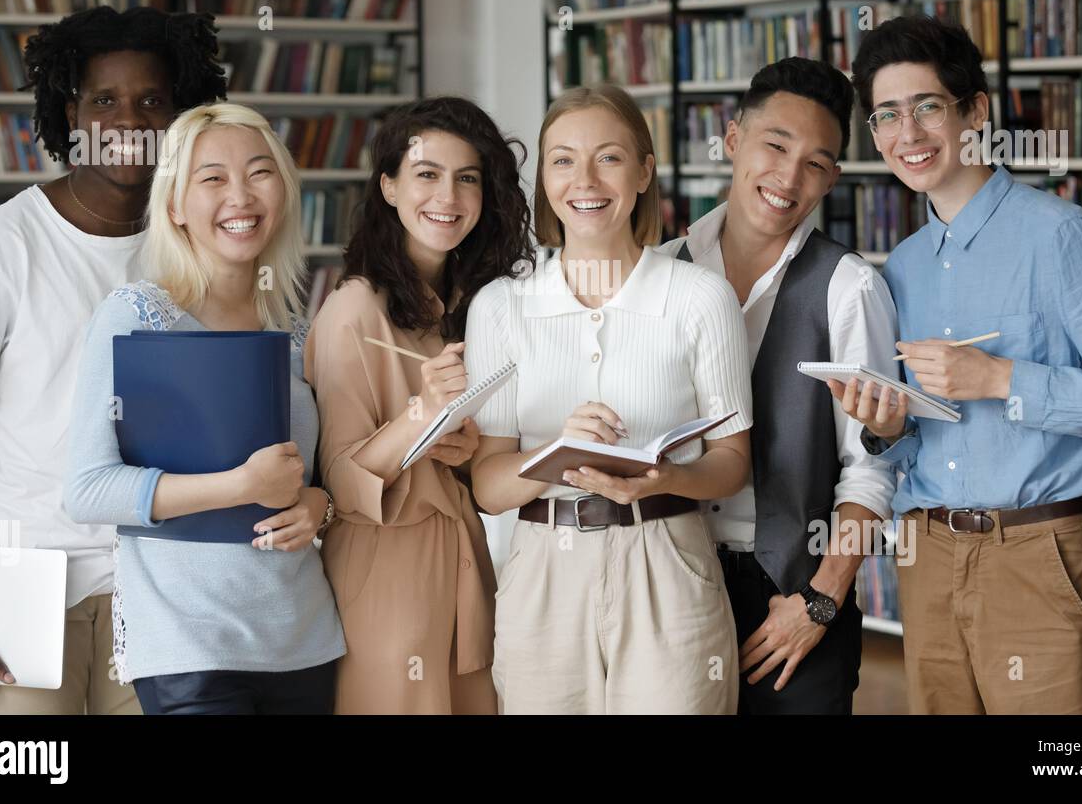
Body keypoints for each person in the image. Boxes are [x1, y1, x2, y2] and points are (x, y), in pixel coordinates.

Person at [841, 14, 1082, 713]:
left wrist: (1001, 380)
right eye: (885, 115)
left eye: (926, 107)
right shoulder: (902, 268)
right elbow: (925, 436)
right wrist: (885, 426)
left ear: (976, 111)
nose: (906, 134)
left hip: (1038, 554)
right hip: (926, 552)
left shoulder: (1057, 236)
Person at [0, 7, 227, 713]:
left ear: (181, 115)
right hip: (23, 583)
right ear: (72, 114)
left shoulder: (199, 247)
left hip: (156, 581)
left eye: (152, 101)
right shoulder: (0, 247)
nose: (130, 121)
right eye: (105, 101)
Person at [465, 84, 754, 714]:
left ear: (645, 170)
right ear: (543, 177)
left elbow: (733, 462)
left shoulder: (701, 298)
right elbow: (488, 486)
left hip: (669, 562)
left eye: (610, 157)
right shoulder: (501, 306)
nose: (585, 179)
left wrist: (665, 476)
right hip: (542, 571)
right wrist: (555, 452)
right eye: (562, 159)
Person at [64, 102, 345, 715]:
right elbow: (87, 490)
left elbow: (323, 484)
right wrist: (239, 486)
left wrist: (319, 506)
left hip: (303, 641)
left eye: (259, 172)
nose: (239, 196)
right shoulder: (136, 317)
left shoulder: (300, 332)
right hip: (187, 649)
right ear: (173, 205)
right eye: (212, 177)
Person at [659, 57, 898, 714]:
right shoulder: (657, 273)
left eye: (817, 163)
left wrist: (822, 599)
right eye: (775, 146)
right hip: (672, 583)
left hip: (794, 589)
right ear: (733, 140)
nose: (790, 178)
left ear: (834, 180)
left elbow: (873, 470)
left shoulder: (851, 289)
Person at [305, 96, 532, 714]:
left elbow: (476, 461)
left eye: (467, 178)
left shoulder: (478, 304)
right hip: (385, 576)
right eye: (427, 175)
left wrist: (459, 451)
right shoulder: (353, 310)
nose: (448, 197)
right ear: (389, 186)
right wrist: (418, 415)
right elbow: (338, 482)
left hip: (465, 563)